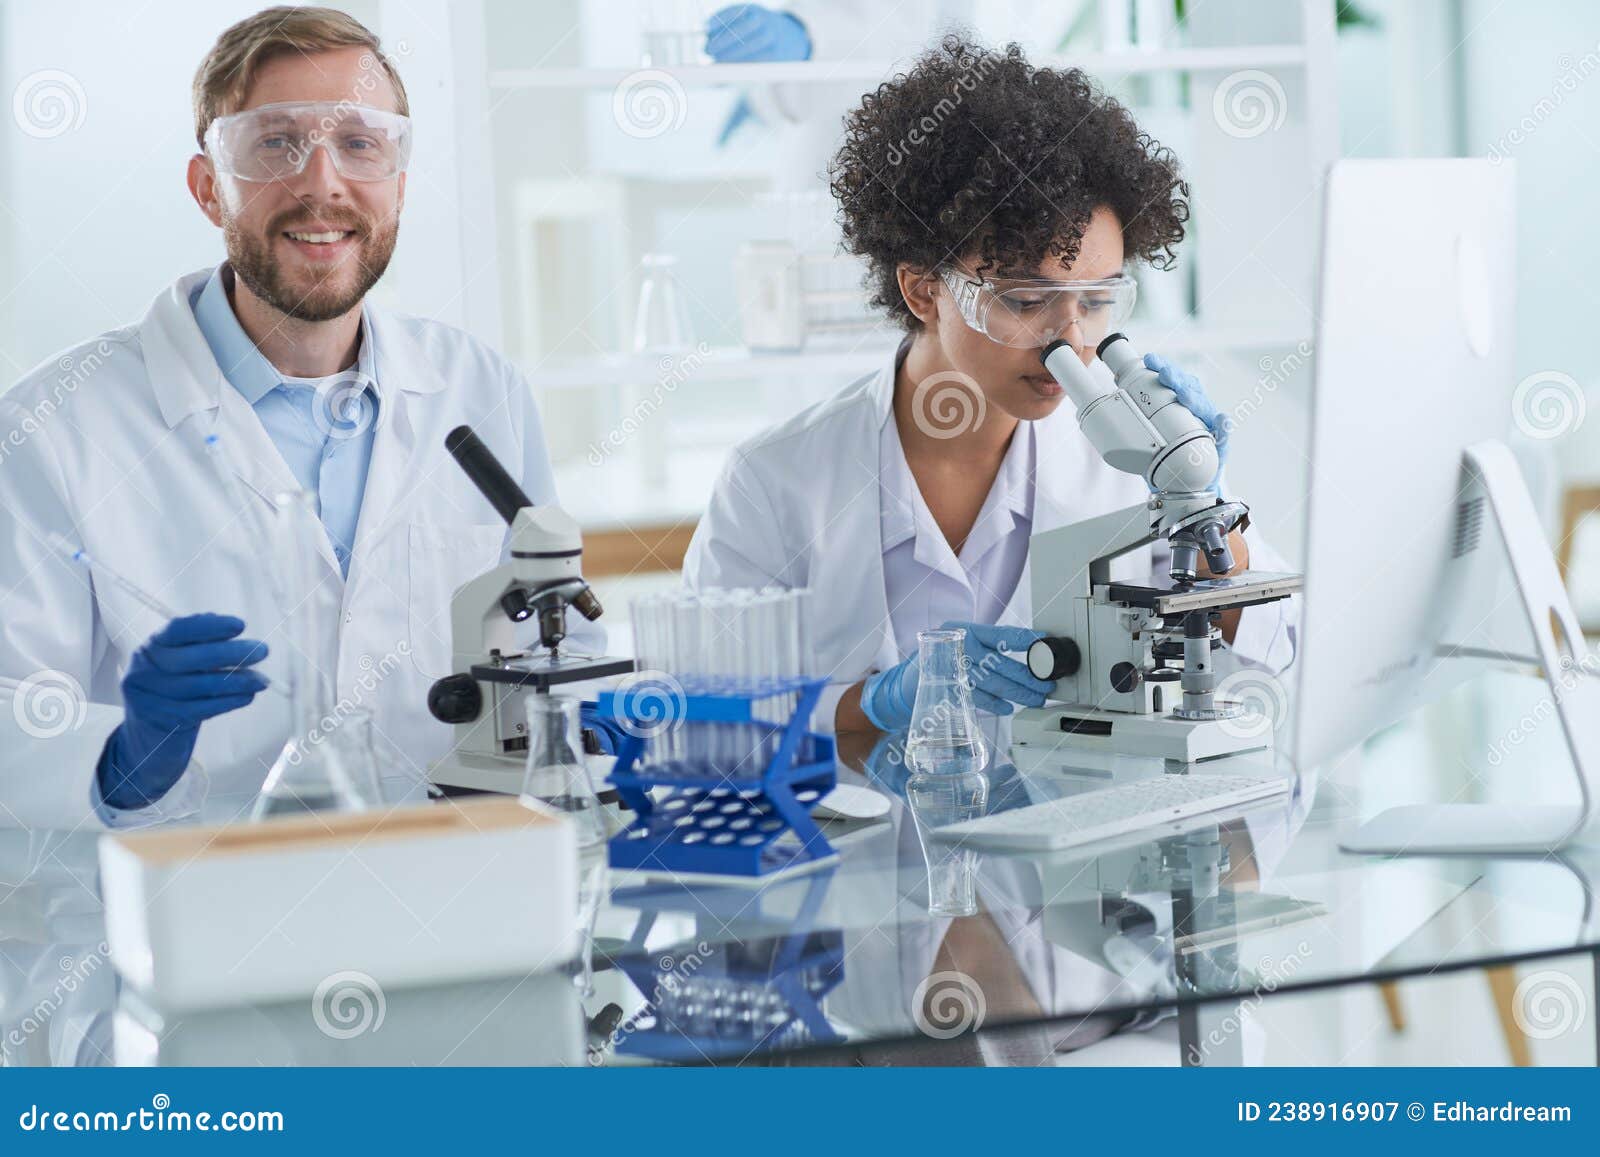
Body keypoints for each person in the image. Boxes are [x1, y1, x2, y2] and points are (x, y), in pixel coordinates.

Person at [0, 7, 597, 829]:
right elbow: (10, 719)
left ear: (398, 182)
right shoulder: (53, 426)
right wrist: (124, 752)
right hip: (185, 920)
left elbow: (547, 630)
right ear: (210, 187)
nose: (323, 182)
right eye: (275, 142)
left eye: (360, 143)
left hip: (453, 895)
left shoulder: (478, 389)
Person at [683, 35, 1298, 733]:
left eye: (1096, 301)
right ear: (922, 289)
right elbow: (700, 715)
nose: (1071, 341)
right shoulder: (776, 481)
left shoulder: (1130, 465)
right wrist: (870, 705)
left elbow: (1274, 666)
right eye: (1027, 301)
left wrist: (1209, 514)